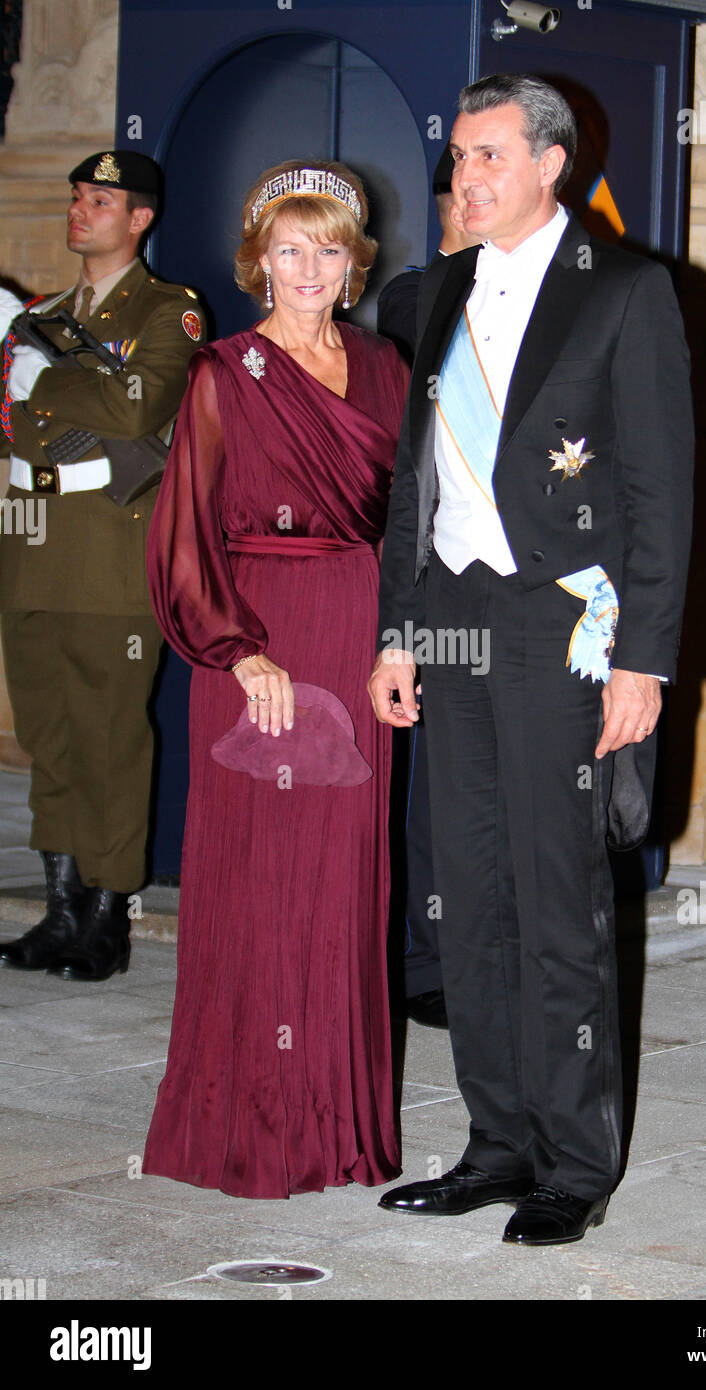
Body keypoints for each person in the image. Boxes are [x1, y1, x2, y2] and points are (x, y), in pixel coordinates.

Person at [368, 74, 694, 1246]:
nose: (464, 177)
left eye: (488, 157)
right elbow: (416, 481)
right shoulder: (440, 288)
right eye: (458, 157)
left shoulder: (627, 290)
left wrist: (642, 662)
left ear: (550, 164)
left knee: (560, 903)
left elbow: (661, 494)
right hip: (451, 622)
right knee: (469, 899)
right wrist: (394, 632)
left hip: (565, 629)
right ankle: (494, 1139)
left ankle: (573, 1158)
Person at [142, 160, 408, 1198]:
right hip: (256, 644)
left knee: (344, 880)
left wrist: (404, 633)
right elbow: (180, 536)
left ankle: (338, 1127)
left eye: (328, 248)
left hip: (357, 629)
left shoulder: (387, 367)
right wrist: (235, 647)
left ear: (354, 263)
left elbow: (412, 521)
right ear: (257, 262)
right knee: (257, 878)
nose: (308, 267)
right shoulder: (221, 372)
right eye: (288, 248)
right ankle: (245, 1126)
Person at [0, 150, 203, 981]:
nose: (82, 210)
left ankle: (109, 912)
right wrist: (66, 392)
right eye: (78, 197)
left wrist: (48, 385)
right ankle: (61, 906)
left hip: (111, 550)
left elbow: (140, 406)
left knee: (111, 735)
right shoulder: (36, 314)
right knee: (49, 733)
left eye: (102, 200)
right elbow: (17, 425)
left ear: (141, 217)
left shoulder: (169, 311)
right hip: (32, 535)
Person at [377, 145, 481, 1030]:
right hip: (434, 570)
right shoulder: (419, 294)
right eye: (464, 189)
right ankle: (427, 959)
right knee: (437, 785)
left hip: (508, 584)